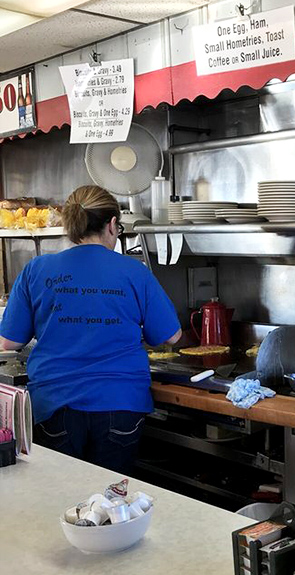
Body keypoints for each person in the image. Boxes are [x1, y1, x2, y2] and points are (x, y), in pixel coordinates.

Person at [0, 185, 181, 470]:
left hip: (54, 404)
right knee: (110, 503)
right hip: (121, 403)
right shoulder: (135, 272)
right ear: (111, 225)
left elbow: (9, 342)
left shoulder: (37, 269)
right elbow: (171, 336)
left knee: (63, 499)